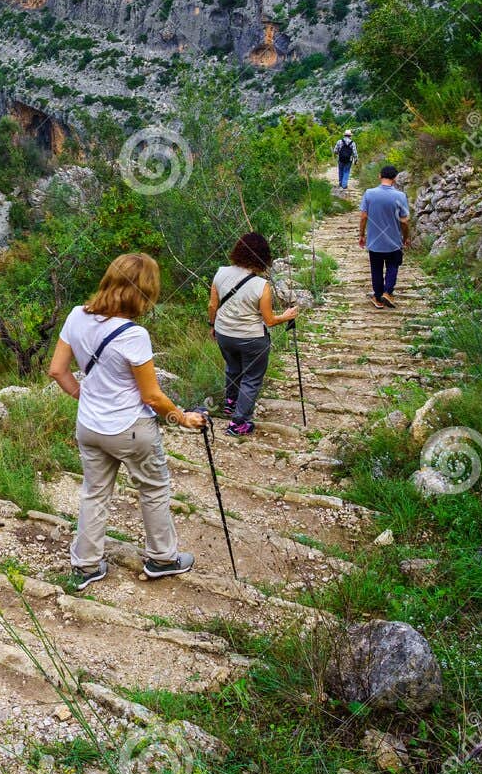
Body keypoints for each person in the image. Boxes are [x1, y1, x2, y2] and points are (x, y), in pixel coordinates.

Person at [48, 253, 204, 589]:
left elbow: (57, 370)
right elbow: (152, 397)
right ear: (144, 292)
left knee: (94, 493)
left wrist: (83, 396)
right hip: (130, 428)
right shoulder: (134, 334)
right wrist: (182, 418)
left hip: (89, 426)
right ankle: (163, 559)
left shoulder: (76, 316)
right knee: (153, 489)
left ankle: (86, 566)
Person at [207, 233, 298, 437]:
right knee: (251, 378)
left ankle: (231, 404)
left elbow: (212, 305)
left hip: (224, 333)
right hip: (252, 339)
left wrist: (212, 325)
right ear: (262, 257)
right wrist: (287, 315)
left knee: (233, 368)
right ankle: (239, 423)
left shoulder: (220, 273)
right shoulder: (261, 286)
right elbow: (269, 321)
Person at [358, 165, 411, 309]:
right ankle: (388, 292)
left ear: (379, 176)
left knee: (376, 268)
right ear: (395, 178)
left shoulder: (369, 194)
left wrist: (362, 235)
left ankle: (378, 297)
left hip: (375, 241)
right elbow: (404, 221)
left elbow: (363, 217)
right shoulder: (400, 196)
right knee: (393, 266)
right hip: (394, 241)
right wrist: (406, 237)